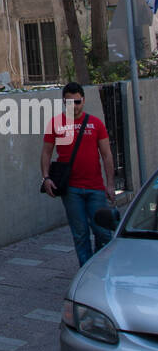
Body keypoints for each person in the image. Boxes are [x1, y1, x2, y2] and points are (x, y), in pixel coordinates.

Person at [40, 82, 116, 266]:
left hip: (95, 187)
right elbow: (46, 152)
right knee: (80, 233)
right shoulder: (56, 123)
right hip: (71, 189)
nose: (74, 106)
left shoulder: (95, 123)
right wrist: (46, 177)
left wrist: (110, 184)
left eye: (77, 102)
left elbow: (106, 155)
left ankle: (100, 267)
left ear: (83, 100)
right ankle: (86, 270)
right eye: (69, 102)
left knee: (103, 232)